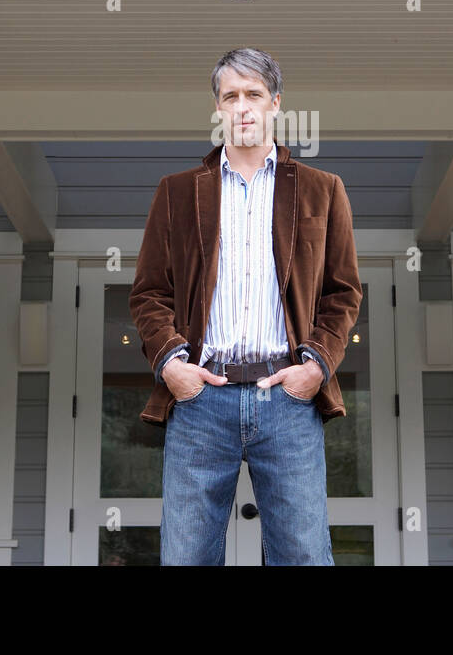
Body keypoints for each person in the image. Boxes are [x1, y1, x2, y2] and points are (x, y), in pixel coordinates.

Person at [129, 46, 362, 565]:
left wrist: (315, 368)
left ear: (276, 103)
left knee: (303, 555)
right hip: (198, 400)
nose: (243, 107)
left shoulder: (323, 191)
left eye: (254, 94)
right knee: (186, 556)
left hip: (289, 399)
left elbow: (343, 292)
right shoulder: (177, 193)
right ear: (217, 108)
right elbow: (148, 292)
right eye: (231, 96)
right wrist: (172, 366)